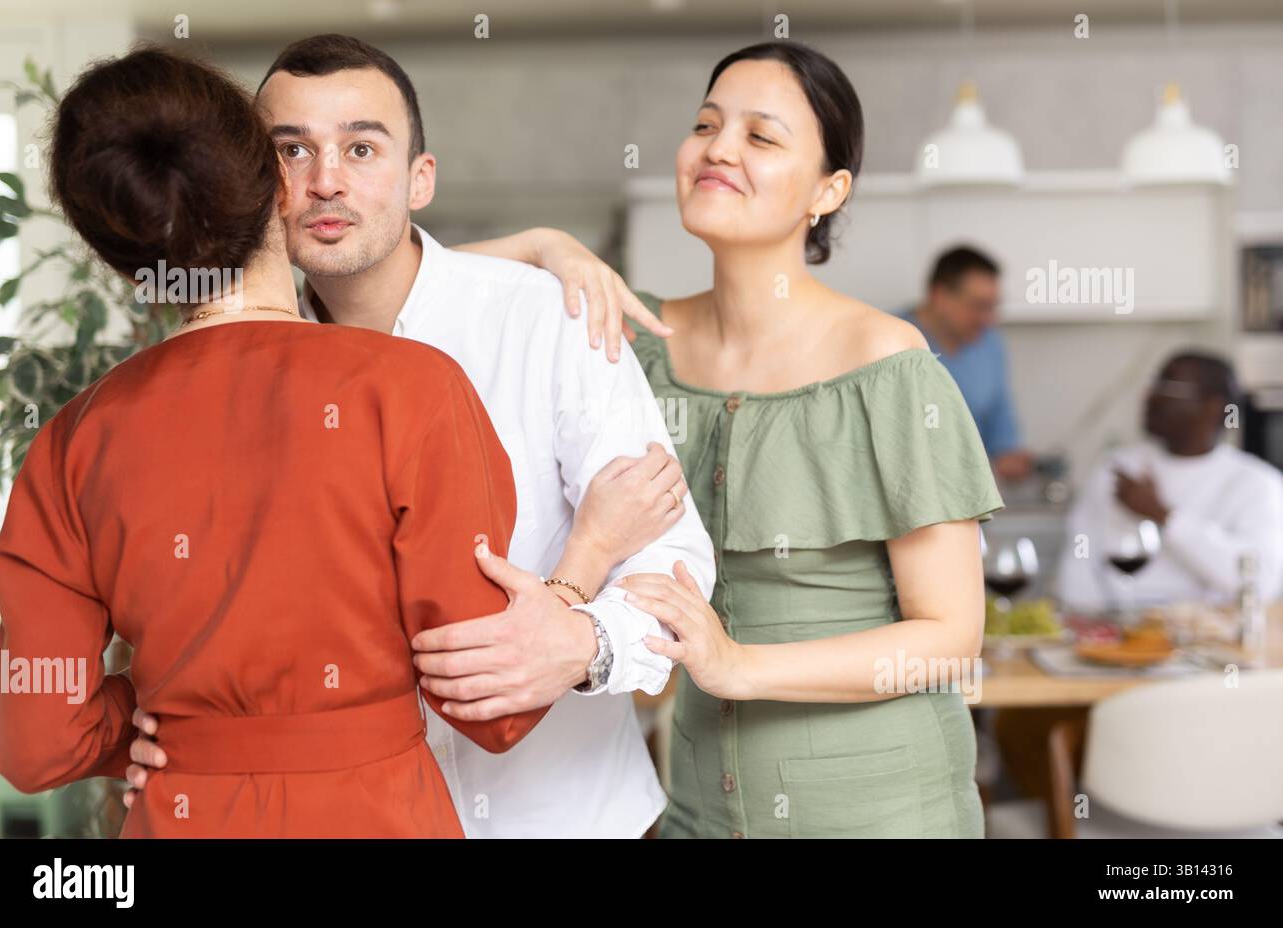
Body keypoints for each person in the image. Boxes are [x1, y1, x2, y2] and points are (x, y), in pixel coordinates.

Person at [124, 34, 716, 838]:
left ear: (419, 178)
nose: (325, 179)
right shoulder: (223, 379)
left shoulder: (544, 317)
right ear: (252, 181)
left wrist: (580, 641)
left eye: (361, 147)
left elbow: (675, 559)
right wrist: (153, 729)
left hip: (568, 818)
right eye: (290, 150)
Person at [0, 46, 551, 837]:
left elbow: (36, 744)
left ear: (126, 257)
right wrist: (575, 588)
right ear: (278, 187)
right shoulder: (413, 388)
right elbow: (494, 705)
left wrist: (132, 718)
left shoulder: (71, 442)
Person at [505, 41, 1004, 837]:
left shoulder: (887, 366)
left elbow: (950, 642)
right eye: (706, 124)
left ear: (829, 190)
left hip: (881, 814)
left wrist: (738, 665)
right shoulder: (633, 342)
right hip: (700, 810)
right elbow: (411, 301)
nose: (719, 148)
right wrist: (545, 249)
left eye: (761, 137)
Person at [1056, 351, 1283, 613]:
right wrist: (1093, 625)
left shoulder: (1256, 484)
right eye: (1153, 385)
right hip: (1115, 637)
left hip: (1210, 642)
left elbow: (1259, 586)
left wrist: (1164, 516)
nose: (1148, 397)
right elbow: (1079, 562)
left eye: (1167, 387)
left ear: (1212, 406)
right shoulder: (1116, 469)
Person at [902, 246, 1036, 483]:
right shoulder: (889, 340)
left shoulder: (990, 344)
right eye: (978, 306)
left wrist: (1009, 455)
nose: (988, 319)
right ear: (940, 296)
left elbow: (1000, 419)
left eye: (993, 307)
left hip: (970, 498)